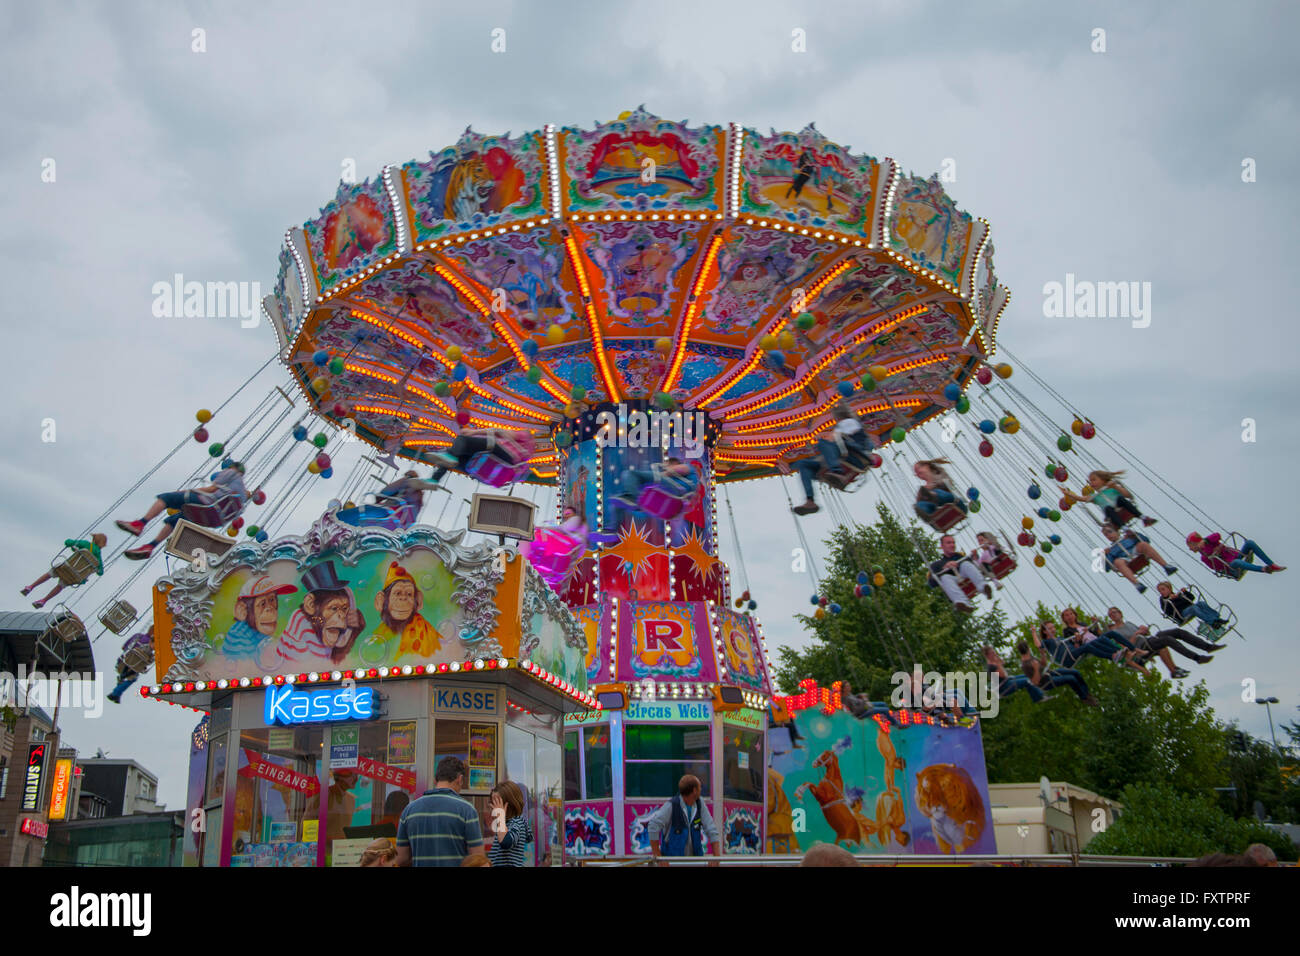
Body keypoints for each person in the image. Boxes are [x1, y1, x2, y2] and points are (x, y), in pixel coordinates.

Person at [118, 461, 250, 559]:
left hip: (208, 505)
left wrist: (187, 491)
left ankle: (140, 523)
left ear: (233, 468)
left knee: (166, 498)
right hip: (214, 519)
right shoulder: (244, 494)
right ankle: (151, 546)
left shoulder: (231, 473)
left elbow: (211, 489)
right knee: (176, 519)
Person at [395, 756, 486, 867]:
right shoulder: (467, 809)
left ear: (435, 780)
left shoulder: (409, 810)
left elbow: (401, 858)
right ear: (460, 779)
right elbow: (478, 858)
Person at [791, 400, 873, 516]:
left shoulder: (848, 422)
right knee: (803, 464)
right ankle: (810, 501)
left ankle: (837, 472)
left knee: (823, 443)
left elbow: (833, 438)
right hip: (844, 457)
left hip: (854, 457)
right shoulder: (848, 424)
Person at [1101, 606, 1222, 679]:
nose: (1113, 615)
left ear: (1120, 613)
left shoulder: (1128, 624)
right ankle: (1197, 658)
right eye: (1111, 614)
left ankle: (1207, 647)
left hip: (1147, 640)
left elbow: (1143, 633)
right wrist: (1137, 633)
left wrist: (1144, 630)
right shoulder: (1114, 631)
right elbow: (1125, 646)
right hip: (1140, 648)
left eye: (1114, 612)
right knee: (1166, 641)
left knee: (1176, 632)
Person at [647, 774, 721, 863]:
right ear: (694, 790)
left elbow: (711, 829)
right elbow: (652, 826)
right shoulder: (671, 805)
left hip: (695, 862)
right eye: (699, 787)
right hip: (673, 863)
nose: (701, 789)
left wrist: (717, 858)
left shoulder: (700, 804)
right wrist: (658, 858)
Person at [23, 533, 108, 608]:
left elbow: (67, 542)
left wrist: (74, 546)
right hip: (76, 576)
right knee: (61, 585)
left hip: (67, 567)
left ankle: (31, 587)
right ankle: (44, 600)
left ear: (94, 539)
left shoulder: (86, 544)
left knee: (50, 573)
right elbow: (100, 572)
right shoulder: (98, 556)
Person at [1061, 607, 1148, 673]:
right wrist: (1078, 638)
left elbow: (1097, 633)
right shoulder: (1067, 630)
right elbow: (1075, 646)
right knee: (1101, 640)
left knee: (1111, 633)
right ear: (1064, 619)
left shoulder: (1082, 624)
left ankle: (1133, 649)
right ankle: (1120, 655)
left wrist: (1096, 624)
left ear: (1075, 615)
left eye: (1071, 614)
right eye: (1067, 615)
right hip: (1088, 643)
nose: (1069, 617)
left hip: (1096, 639)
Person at [1058, 470, 1156, 528]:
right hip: (1111, 513)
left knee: (1120, 499)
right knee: (1108, 509)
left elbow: (1129, 496)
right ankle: (1125, 529)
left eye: (1094, 480)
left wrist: (1116, 487)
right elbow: (1080, 498)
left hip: (1121, 505)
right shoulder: (1095, 497)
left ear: (1103, 480)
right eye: (1090, 481)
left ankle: (1143, 518)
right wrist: (1068, 493)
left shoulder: (1111, 488)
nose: (1091, 483)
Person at [429, 427, 534, 480]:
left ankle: (435, 479)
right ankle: (434, 479)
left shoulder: (525, 435)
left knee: (462, 441)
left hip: (503, 457)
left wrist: (473, 432)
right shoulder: (529, 452)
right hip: (499, 472)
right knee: (456, 458)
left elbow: (500, 432)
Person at [1101, 522, 1177, 594]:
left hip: (1136, 553)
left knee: (1143, 544)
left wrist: (1134, 534)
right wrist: (1104, 556)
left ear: (1116, 531)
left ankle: (1166, 566)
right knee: (1117, 562)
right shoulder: (1110, 550)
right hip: (1125, 560)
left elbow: (1146, 540)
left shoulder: (1127, 538)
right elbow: (1107, 568)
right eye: (1106, 535)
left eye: (1110, 532)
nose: (1109, 535)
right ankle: (1137, 584)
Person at [1017, 640, 1099, 706]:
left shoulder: (1031, 657)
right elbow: (1036, 681)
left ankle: (1086, 693)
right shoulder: (1025, 665)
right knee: (1071, 679)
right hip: (1045, 682)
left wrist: (1043, 655)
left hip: (1048, 673)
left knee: (1075, 672)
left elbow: (1043, 664)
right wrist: (1035, 668)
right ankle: (1084, 698)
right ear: (1027, 649)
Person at [927, 534, 991, 612]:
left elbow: (973, 566)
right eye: (949, 543)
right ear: (942, 546)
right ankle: (962, 603)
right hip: (953, 581)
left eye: (953, 543)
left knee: (966, 564)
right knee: (945, 577)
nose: (952, 545)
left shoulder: (961, 556)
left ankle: (983, 587)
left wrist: (970, 558)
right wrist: (944, 568)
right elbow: (931, 583)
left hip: (965, 575)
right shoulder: (936, 565)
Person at [1186, 532, 1285, 577]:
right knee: (1236, 562)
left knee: (1249, 543)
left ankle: (1272, 565)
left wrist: (1206, 541)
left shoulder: (1209, 541)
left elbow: (1217, 535)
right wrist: (1216, 554)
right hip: (1230, 567)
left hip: (1235, 556)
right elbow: (1217, 568)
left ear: (1196, 543)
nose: (1190, 549)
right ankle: (1263, 569)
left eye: (1190, 545)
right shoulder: (1204, 557)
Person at [617, 457, 699, 509]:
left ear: (674, 464)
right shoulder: (690, 482)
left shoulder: (687, 467)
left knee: (630, 473)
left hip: (676, 489)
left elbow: (676, 470)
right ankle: (634, 497)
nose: (664, 468)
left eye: (667, 465)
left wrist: (663, 472)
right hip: (675, 494)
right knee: (643, 482)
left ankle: (633, 497)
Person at [488, 780, 534, 867]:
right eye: (492, 802)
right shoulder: (507, 824)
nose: (492, 807)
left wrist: (500, 817)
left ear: (509, 805)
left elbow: (506, 842)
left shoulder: (517, 822)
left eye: (496, 803)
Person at [106, 626, 155, 703]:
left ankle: (117, 692)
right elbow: (149, 661)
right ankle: (116, 693)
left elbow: (124, 647)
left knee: (127, 677)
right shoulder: (150, 644)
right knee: (132, 678)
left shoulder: (138, 636)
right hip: (134, 667)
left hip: (123, 661)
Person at [375, 470, 442, 525]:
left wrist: (378, 499)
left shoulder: (405, 481)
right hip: (407, 521)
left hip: (392, 512)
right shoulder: (419, 494)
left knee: (370, 512)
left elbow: (387, 491)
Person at [982, 645, 1047, 703]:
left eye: (994, 652)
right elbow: (1003, 675)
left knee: (1028, 676)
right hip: (1003, 687)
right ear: (988, 656)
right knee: (1027, 681)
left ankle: (1041, 688)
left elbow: (1003, 663)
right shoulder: (992, 667)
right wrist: (998, 664)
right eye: (992, 653)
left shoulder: (994, 662)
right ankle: (1038, 698)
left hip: (1007, 681)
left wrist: (998, 660)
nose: (995, 653)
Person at [1156, 581, 1230, 630]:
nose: (1161, 592)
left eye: (1163, 589)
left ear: (1169, 588)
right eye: (1160, 591)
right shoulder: (1164, 600)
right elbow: (1167, 611)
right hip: (1181, 614)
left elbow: (1191, 598)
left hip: (1189, 607)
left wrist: (1186, 592)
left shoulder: (1178, 594)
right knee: (1193, 608)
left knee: (1201, 603)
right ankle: (1212, 622)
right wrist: (1174, 600)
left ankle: (1216, 618)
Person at [913, 459, 967, 526]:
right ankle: (928, 516)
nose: (917, 473)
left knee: (937, 492)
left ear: (926, 466)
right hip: (940, 511)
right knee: (920, 504)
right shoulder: (923, 489)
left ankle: (934, 497)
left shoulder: (939, 473)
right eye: (916, 472)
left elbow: (947, 484)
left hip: (955, 503)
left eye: (918, 469)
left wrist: (931, 486)